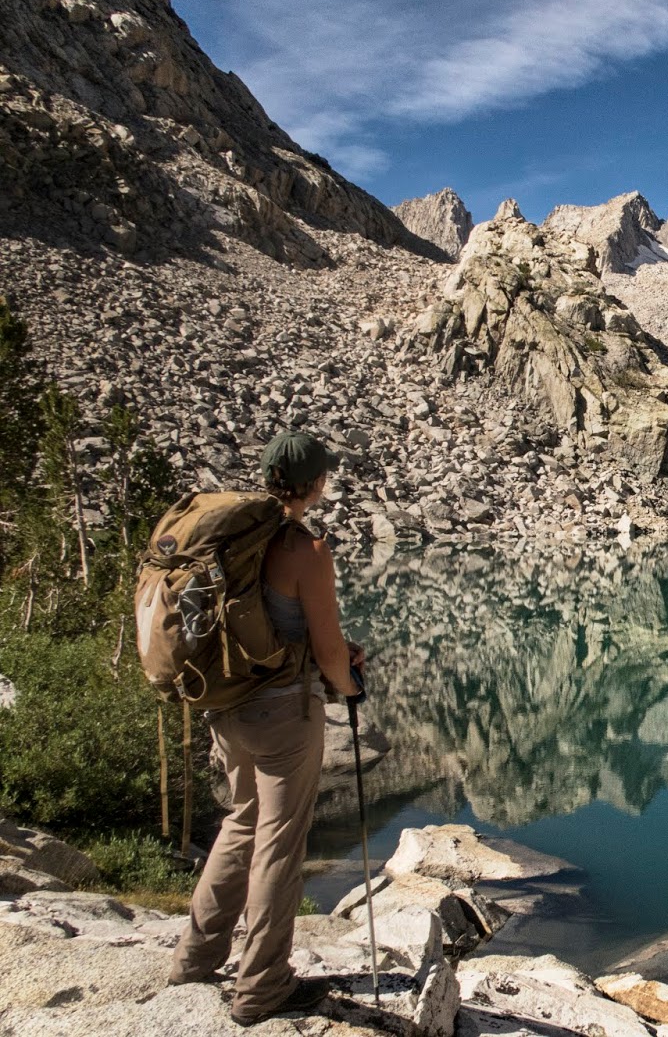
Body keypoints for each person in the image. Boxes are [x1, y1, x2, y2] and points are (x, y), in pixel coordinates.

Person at [168, 431, 366, 1026]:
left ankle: (195, 959)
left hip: (227, 704)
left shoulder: (231, 534)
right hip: (283, 713)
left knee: (240, 823)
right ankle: (261, 988)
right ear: (316, 484)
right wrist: (349, 684)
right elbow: (330, 652)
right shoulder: (304, 548)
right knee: (279, 844)